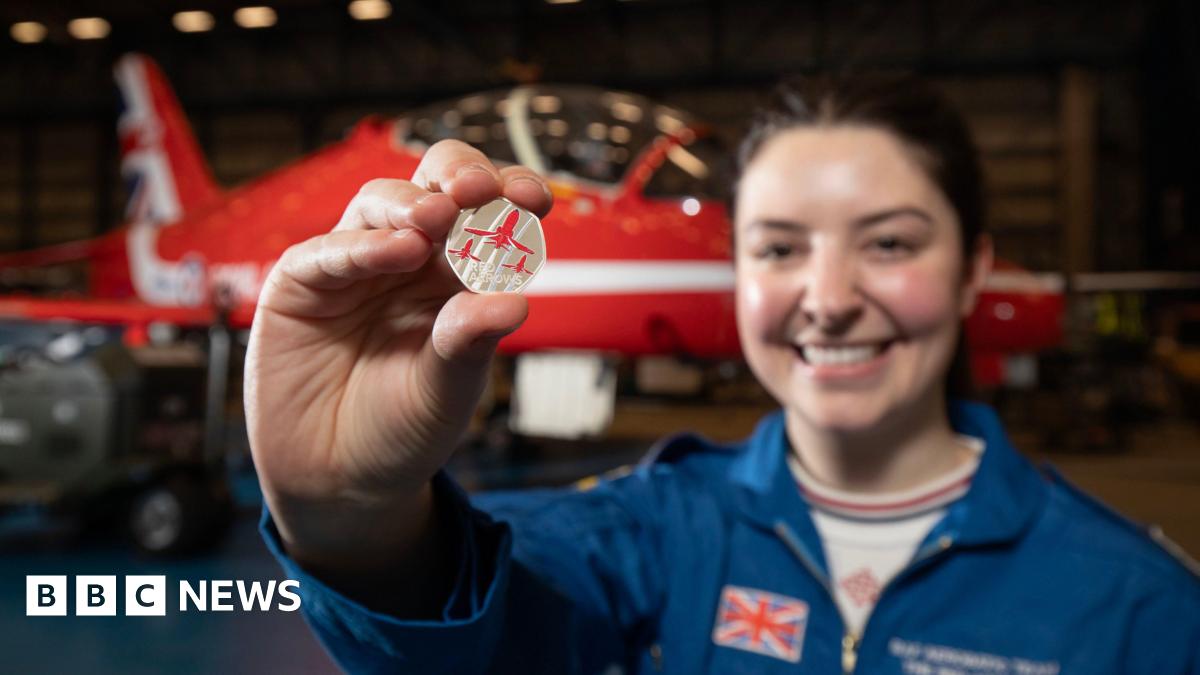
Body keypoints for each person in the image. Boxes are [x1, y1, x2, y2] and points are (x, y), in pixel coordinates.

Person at [246, 75, 1200, 674]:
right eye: (779, 248)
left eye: (891, 243)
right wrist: (345, 514)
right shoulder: (648, 534)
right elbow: (476, 630)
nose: (826, 298)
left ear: (973, 270)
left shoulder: (1149, 610)